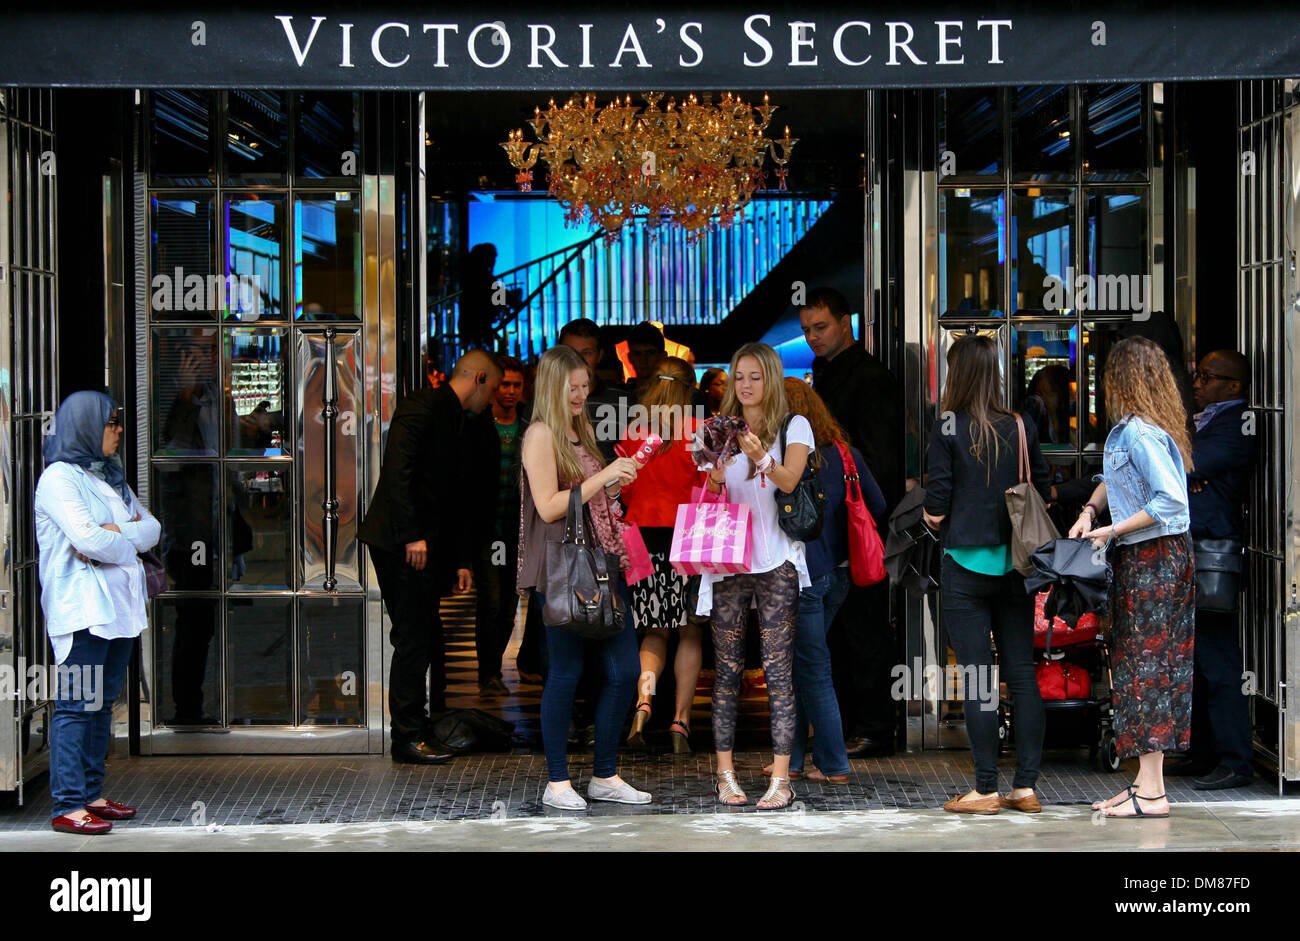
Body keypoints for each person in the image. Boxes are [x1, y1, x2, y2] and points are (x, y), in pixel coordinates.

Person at [518, 344, 650, 809]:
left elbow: (587, 499)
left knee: (624, 671)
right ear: (553, 388)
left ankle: (605, 774)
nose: (580, 394)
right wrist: (603, 476)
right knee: (566, 673)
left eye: (584, 386)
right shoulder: (540, 435)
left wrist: (613, 483)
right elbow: (550, 505)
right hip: (562, 570)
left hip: (601, 566)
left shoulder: (580, 432)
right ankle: (557, 782)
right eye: (572, 388)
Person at [922, 336, 1050, 814]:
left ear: (956, 375)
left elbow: (938, 498)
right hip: (1015, 566)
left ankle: (985, 790)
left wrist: (936, 518)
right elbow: (1041, 484)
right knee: (1021, 673)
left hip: (965, 563)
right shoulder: (1020, 423)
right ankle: (1027, 787)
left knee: (978, 676)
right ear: (993, 371)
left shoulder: (948, 424)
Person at [1070, 336, 1195, 818]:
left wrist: (1111, 529)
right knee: (1141, 667)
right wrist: (1089, 510)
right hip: (1148, 558)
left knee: (1149, 668)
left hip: (1155, 560)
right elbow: (1115, 479)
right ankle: (1146, 784)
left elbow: (1171, 502)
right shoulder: (1134, 430)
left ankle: (1153, 794)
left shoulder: (1142, 433)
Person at [358, 350, 502, 764]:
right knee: (413, 636)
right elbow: (397, 472)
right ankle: (405, 736)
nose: (490, 400)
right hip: (401, 542)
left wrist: (459, 560)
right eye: (491, 389)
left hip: (422, 544)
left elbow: (455, 499)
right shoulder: (422, 407)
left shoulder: (461, 419)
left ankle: (420, 726)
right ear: (478, 378)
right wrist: (413, 536)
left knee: (424, 633)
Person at [35, 391, 161, 834]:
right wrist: (123, 542)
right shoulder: (59, 479)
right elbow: (89, 540)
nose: (118, 430)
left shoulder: (110, 477)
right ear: (86, 426)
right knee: (75, 707)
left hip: (121, 612)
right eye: (111, 423)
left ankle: (91, 793)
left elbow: (153, 529)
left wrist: (117, 537)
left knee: (101, 705)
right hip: (83, 612)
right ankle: (68, 804)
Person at [698, 342, 811, 809]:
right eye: (738, 376)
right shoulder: (716, 429)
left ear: (770, 378)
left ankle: (781, 778)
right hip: (728, 557)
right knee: (725, 671)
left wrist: (761, 455)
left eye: (754, 377)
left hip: (777, 557)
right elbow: (707, 488)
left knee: (778, 670)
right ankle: (725, 774)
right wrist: (719, 469)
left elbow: (789, 481)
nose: (744, 386)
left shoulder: (794, 425)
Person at [799, 286, 903, 758]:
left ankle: (876, 727)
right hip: (836, 523)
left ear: (846, 322)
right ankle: (845, 725)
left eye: (820, 327)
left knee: (862, 628)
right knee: (840, 631)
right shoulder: (829, 372)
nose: (813, 337)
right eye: (806, 330)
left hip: (856, 524)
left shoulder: (869, 377)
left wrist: (861, 512)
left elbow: (880, 462)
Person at [777, 378, 886, 784]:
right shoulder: (844, 453)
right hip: (839, 572)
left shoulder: (786, 458)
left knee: (810, 668)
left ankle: (833, 762)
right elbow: (876, 504)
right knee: (805, 664)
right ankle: (794, 760)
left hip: (803, 573)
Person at [1167, 350, 1256, 789]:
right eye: (1196, 374)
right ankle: (1201, 751)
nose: (1196, 383)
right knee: (1196, 659)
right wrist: (1185, 471)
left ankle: (1235, 759)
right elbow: (1181, 467)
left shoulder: (1237, 422)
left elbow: (1184, 466)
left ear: (1233, 386)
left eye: (1207, 376)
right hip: (1192, 547)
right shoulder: (1204, 422)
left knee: (1219, 662)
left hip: (1213, 553)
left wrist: (1187, 469)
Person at [620, 357, 705, 753]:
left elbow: (622, 491)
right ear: (691, 391)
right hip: (687, 536)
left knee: (653, 631)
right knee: (688, 631)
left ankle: (644, 700)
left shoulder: (634, 431)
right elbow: (713, 488)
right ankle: (680, 722)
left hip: (641, 537)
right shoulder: (699, 432)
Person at [469, 355, 531, 696]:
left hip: (519, 528)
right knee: (491, 601)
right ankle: (488, 670)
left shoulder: (528, 423)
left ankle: (494, 668)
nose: (509, 391)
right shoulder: (478, 423)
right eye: (504, 384)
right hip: (489, 528)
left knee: (509, 602)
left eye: (515, 385)